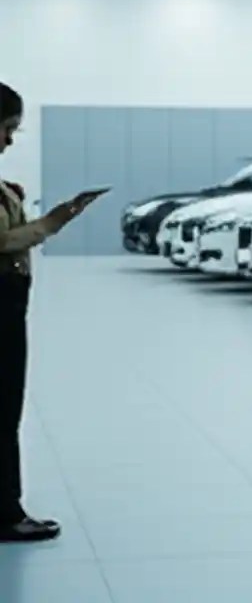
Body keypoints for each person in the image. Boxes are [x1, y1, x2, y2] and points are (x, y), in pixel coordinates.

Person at [0, 81, 101, 543]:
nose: (8, 140)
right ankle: (5, 512)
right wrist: (51, 223)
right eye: (6, 129)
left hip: (9, 300)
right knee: (2, 408)